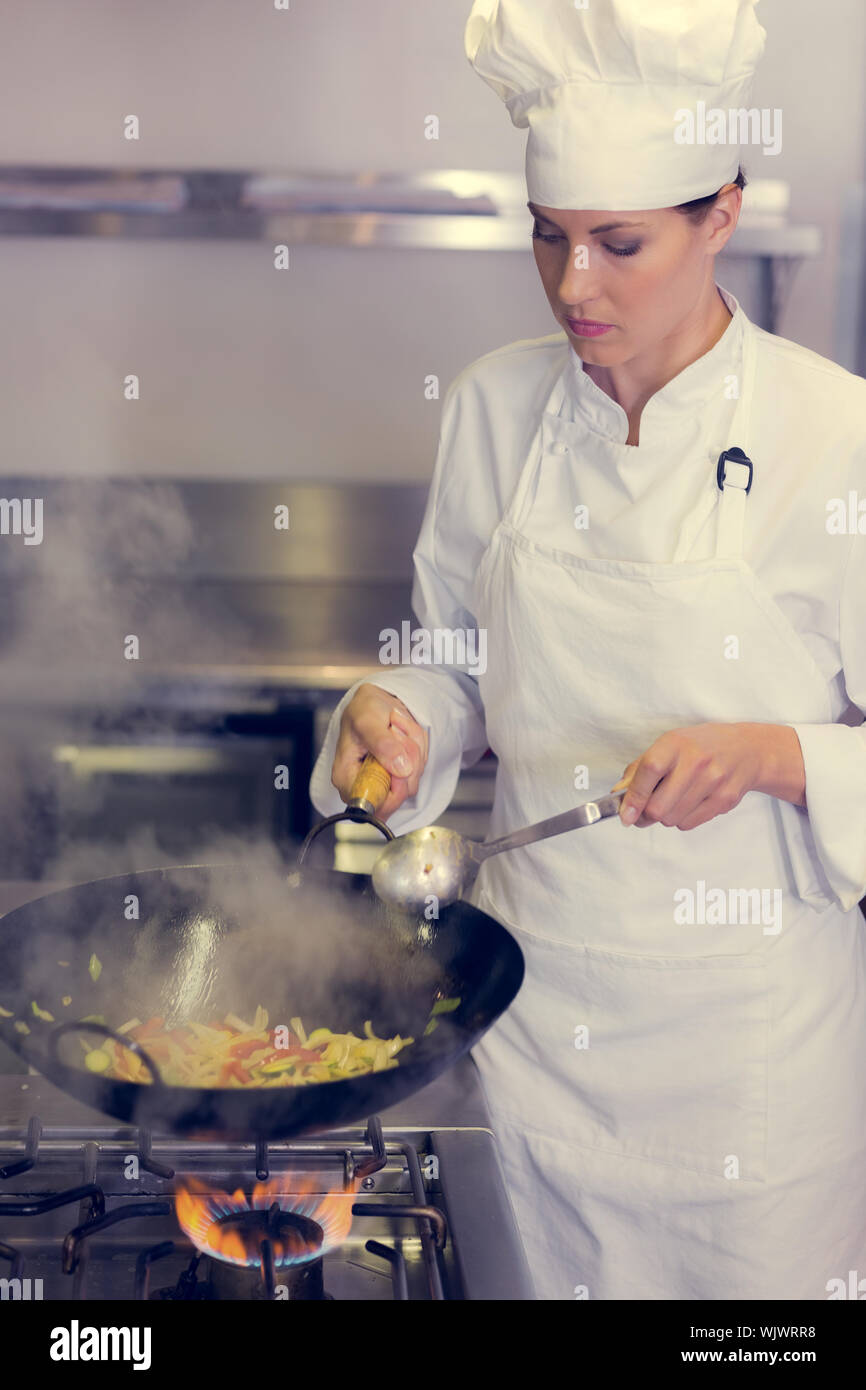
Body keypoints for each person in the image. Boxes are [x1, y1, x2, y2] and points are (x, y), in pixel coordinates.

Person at [310, 0, 866, 1299]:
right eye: (548, 237)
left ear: (720, 211)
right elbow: (447, 664)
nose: (574, 285)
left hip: (750, 1068)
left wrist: (779, 755)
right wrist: (393, 718)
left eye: (620, 244)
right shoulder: (496, 406)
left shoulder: (835, 437)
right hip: (536, 1023)